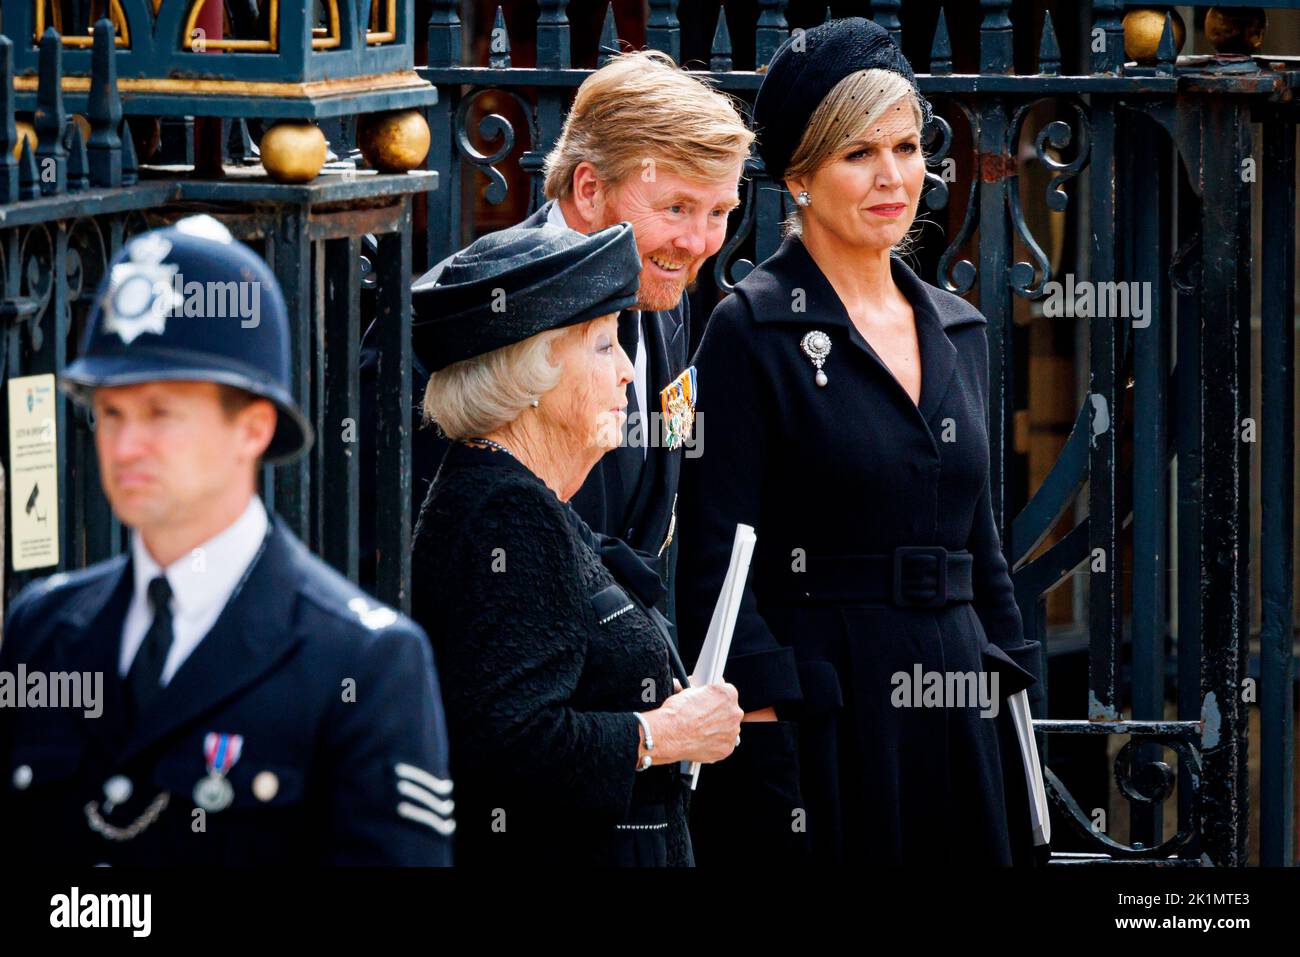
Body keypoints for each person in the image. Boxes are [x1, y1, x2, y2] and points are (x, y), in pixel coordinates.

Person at [675, 18, 1045, 866]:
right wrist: (771, 736)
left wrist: (1008, 695)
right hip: (827, 712)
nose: (894, 178)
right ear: (799, 177)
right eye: (859, 155)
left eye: (908, 147)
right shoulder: (750, 328)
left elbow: (979, 540)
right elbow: (711, 564)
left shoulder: (959, 326)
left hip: (957, 702)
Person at [0, 216, 453, 866]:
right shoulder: (42, 628)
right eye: (111, 412)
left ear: (252, 429)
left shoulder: (363, 662)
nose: (125, 446)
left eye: (161, 412)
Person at [359, 50, 752, 613]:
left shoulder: (664, 300)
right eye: (677, 207)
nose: (698, 243)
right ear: (589, 189)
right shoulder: (455, 322)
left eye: (718, 213)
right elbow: (380, 562)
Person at [409, 222, 743, 866]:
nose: (625, 373)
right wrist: (657, 735)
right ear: (530, 377)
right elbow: (505, 740)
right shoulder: (506, 512)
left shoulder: (522, 497)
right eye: (602, 348)